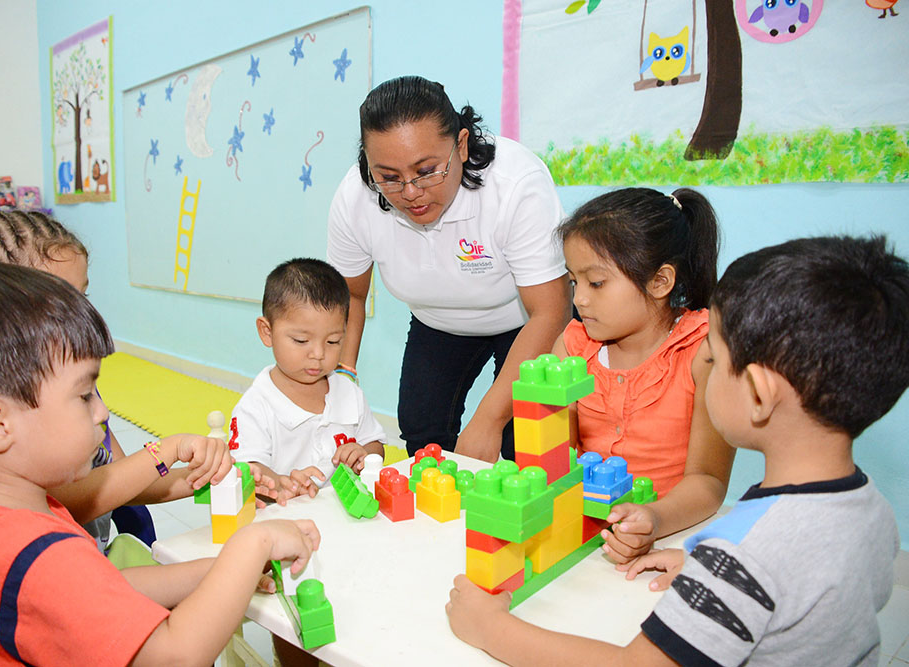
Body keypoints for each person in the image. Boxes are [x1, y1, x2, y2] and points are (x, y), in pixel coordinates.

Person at [446, 234, 907, 665]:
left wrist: (492, 629)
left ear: (760, 394)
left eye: (713, 355)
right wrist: (707, 569)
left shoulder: (743, 557)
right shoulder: (869, 510)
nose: (703, 363)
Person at [0, 260, 320, 665]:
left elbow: (103, 588)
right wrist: (254, 545)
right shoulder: (35, 555)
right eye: (85, 394)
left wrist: (225, 569)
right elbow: (175, 655)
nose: (104, 412)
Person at [0, 206, 247, 550]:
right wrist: (167, 449)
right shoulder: (13, 413)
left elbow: (119, 477)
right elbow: (73, 500)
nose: (81, 316)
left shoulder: (77, 389)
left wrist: (213, 477)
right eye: (58, 303)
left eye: (81, 298)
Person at [327, 75, 570, 462]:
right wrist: (342, 377)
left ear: (460, 144)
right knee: (423, 432)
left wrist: (489, 419)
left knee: (519, 437)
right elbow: (351, 294)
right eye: (389, 177)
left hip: (527, 318)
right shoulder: (357, 196)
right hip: (438, 322)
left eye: (426, 171)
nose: (409, 192)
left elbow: (551, 311)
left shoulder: (515, 183)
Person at [550, 188, 735, 562]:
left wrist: (652, 518)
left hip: (671, 536)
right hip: (580, 539)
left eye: (596, 283)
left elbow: (709, 482)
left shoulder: (704, 353)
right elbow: (557, 459)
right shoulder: (571, 347)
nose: (579, 299)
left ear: (660, 282)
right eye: (574, 282)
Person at [232, 258, 387, 500]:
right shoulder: (256, 405)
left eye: (333, 341)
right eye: (301, 341)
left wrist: (364, 456)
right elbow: (247, 471)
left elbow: (374, 443)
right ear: (267, 332)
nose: (318, 354)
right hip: (282, 523)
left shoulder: (348, 392)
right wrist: (283, 485)